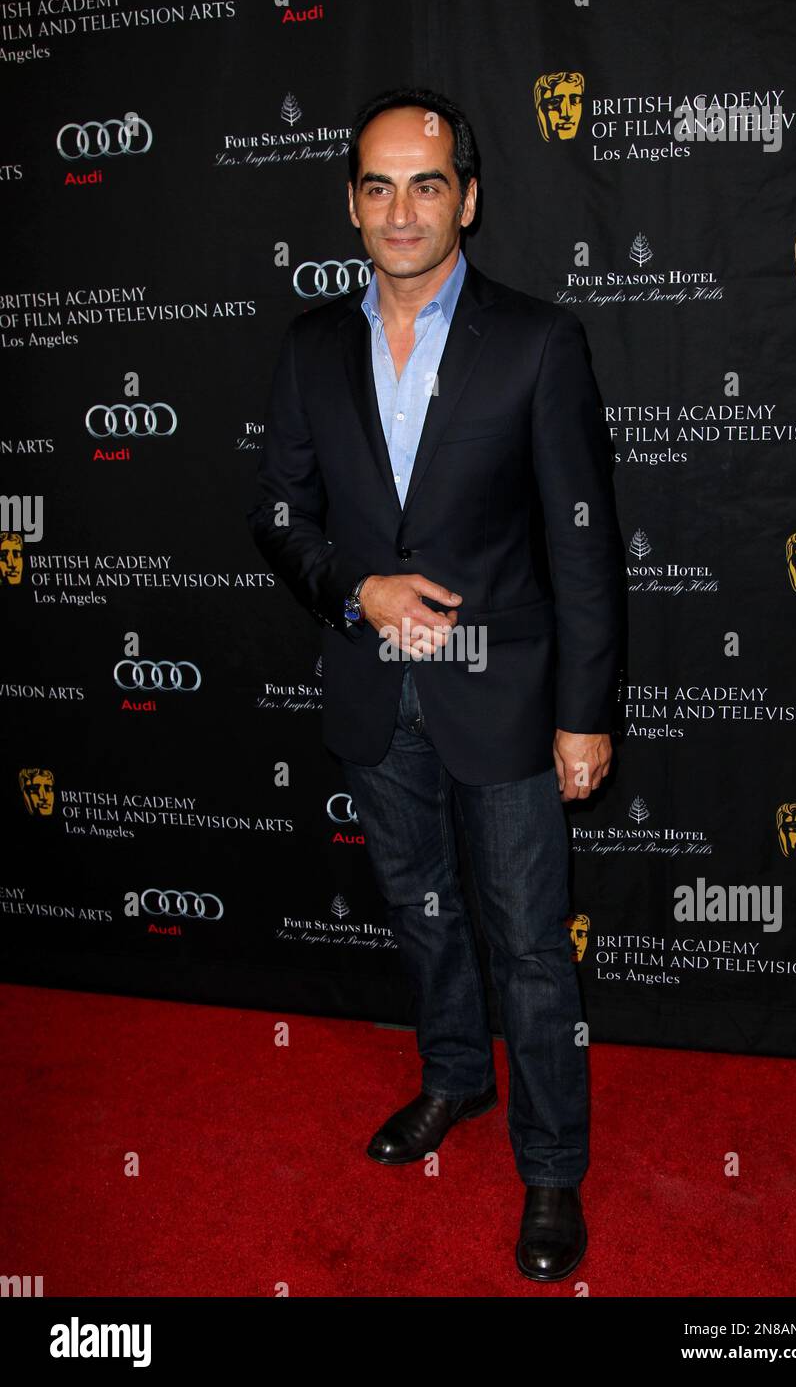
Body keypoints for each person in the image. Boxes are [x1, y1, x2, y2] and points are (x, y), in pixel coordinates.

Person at [247, 85, 626, 1282]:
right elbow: (278, 512)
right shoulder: (312, 343)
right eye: (375, 184)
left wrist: (582, 711)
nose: (399, 209)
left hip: (500, 691)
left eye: (424, 183)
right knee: (420, 911)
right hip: (373, 691)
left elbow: (582, 542)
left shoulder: (535, 339)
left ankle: (551, 1166)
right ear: (350, 203)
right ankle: (454, 1078)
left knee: (527, 944)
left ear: (465, 197)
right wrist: (352, 590)